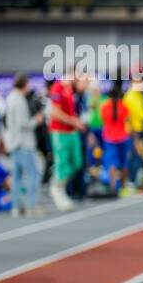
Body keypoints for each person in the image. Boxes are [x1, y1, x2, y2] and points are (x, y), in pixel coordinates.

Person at [3, 74, 43, 216]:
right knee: (33, 174)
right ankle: (31, 206)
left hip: (14, 143)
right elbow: (23, 124)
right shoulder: (19, 101)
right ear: (24, 85)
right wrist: (36, 120)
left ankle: (16, 207)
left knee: (17, 177)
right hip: (23, 144)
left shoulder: (10, 98)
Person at [46, 74, 85, 210]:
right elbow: (55, 113)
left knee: (76, 162)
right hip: (60, 132)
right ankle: (58, 189)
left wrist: (76, 121)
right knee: (61, 162)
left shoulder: (71, 90)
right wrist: (73, 121)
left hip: (71, 131)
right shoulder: (58, 88)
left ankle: (57, 181)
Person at [100, 79, 135, 195]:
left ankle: (113, 187)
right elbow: (128, 122)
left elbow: (103, 121)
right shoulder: (124, 107)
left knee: (112, 164)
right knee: (124, 163)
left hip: (109, 138)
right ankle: (124, 188)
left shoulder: (105, 107)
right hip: (122, 138)